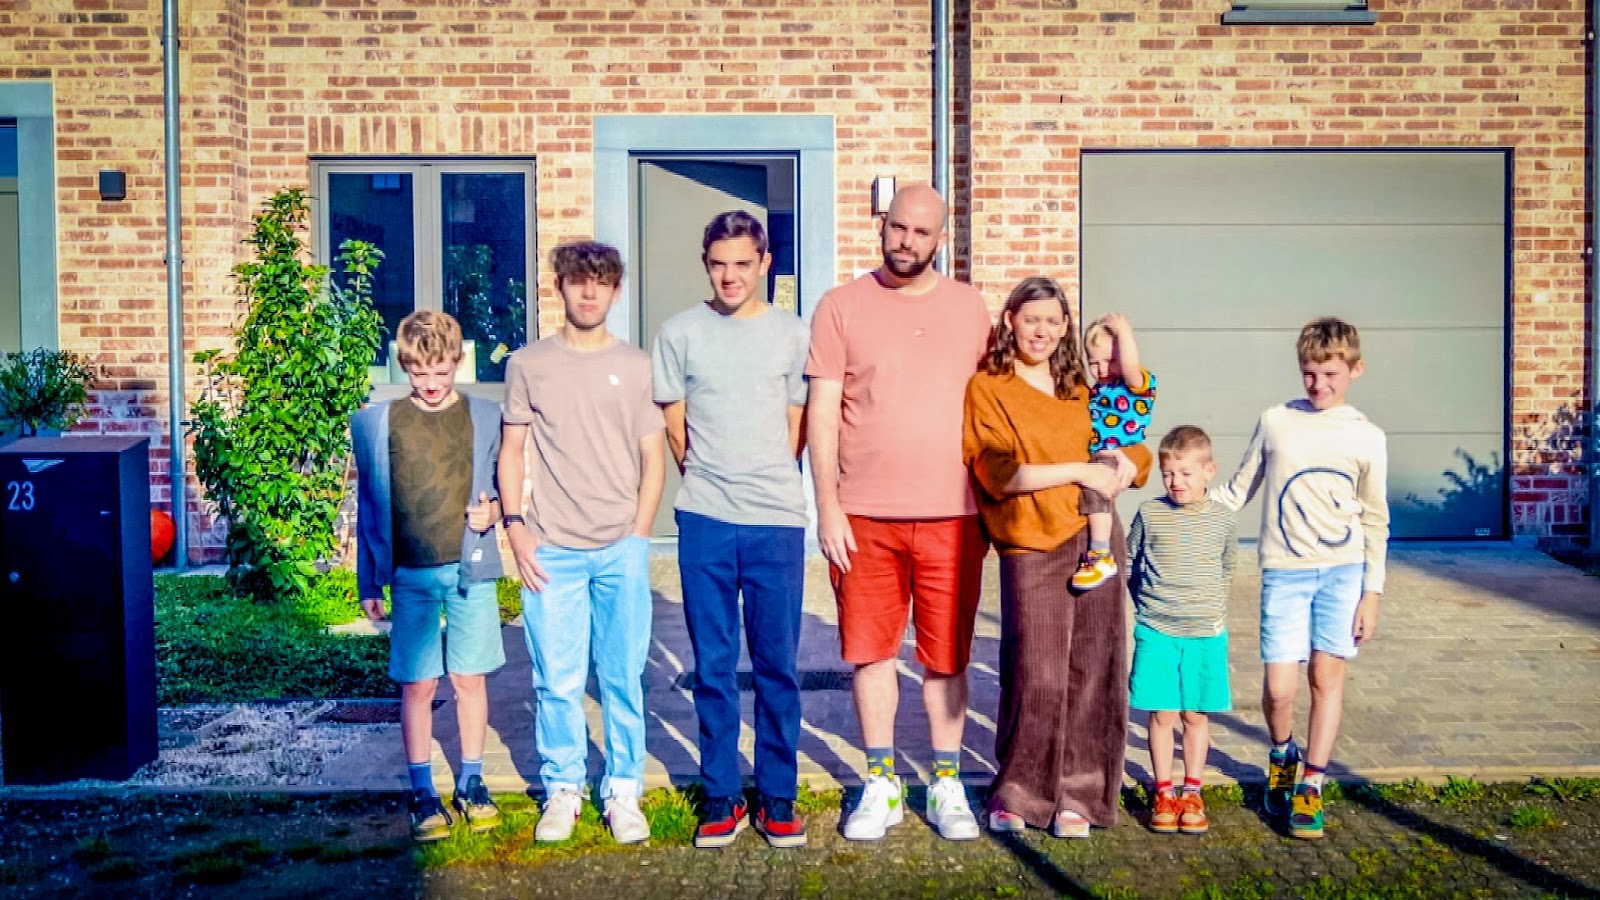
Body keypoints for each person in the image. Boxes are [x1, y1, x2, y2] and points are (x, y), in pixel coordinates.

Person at [807, 183, 993, 842]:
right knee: (870, 653)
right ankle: (880, 781)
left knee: (945, 659)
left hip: (955, 515)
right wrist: (827, 506)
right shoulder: (841, 307)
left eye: (922, 232)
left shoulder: (972, 309)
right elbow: (822, 413)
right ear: (882, 226)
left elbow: (1007, 399)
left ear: (941, 238)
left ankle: (946, 781)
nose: (907, 242)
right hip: (863, 516)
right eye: (898, 228)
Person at [961, 276, 1151, 839]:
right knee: (1036, 673)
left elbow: (1132, 428)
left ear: (1067, 327)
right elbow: (996, 473)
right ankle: (1020, 791)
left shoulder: (1081, 385)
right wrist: (1078, 470)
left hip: (1094, 541)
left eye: (1053, 321)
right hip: (1030, 542)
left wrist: (1125, 464)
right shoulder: (989, 388)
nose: (1041, 331)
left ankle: (1083, 794)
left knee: (1096, 667)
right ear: (1010, 320)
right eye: (1030, 319)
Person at [499, 242, 668, 845]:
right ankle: (562, 787)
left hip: (620, 547)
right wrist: (516, 529)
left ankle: (624, 789)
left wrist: (639, 534)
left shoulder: (639, 365)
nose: (589, 292)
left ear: (616, 291)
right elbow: (512, 450)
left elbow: (654, 456)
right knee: (557, 679)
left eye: (600, 282)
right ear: (560, 287)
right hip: (552, 551)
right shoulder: (528, 365)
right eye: (577, 281)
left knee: (622, 677)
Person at [652, 211, 811, 849]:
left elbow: (797, 425)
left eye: (743, 263)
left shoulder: (793, 335)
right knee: (713, 666)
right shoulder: (679, 333)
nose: (730, 276)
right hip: (706, 520)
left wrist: (764, 477)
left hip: (776, 522)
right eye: (719, 263)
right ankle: (721, 795)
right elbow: (675, 428)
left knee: (778, 666)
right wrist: (713, 481)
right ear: (705, 263)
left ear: (764, 262)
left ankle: (778, 796)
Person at [1211, 317, 1389, 840]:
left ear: (1355, 369)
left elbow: (1376, 517)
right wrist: (1185, 506)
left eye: (1331, 373)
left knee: (1325, 679)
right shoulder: (1276, 421)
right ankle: (1283, 753)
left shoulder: (1367, 436)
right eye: (1310, 373)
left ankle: (1311, 781)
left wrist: (1371, 593)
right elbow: (1238, 489)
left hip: (1342, 573)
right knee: (1280, 689)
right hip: (1285, 574)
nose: (1319, 384)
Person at [351, 310, 507, 843]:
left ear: (458, 363)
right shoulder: (378, 422)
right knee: (419, 683)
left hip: (470, 568)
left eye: (441, 372)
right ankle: (422, 789)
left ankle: (472, 780)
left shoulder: (486, 416)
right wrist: (368, 582)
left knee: (470, 678)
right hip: (410, 575)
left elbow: (501, 481)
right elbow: (368, 505)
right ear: (404, 365)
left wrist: (496, 512)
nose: (432, 384)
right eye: (420, 373)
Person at [1125, 425, 1237, 836]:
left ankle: (1193, 790)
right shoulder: (1150, 513)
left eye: (1186, 474)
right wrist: (1150, 608)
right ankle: (1164, 790)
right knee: (1162, 714)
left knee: (1194, 715)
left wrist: (1209, 608)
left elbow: (1227, 568)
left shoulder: (1223, 519)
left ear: (1209, 471)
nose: (1176, 482)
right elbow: (1131, 562)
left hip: (1205, 634)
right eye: (1169, 473)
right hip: (1156, 631)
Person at [1072, 312, 1156, 592]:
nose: (1101, 368)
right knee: (1093, 494)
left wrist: (1123, 331)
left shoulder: (1134, 385)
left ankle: (1100, 553)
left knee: (1096, 493)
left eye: (1109, 360)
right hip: (1097, 454)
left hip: (1114, 454)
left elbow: (1131, 364)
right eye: (1093, 362)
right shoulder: (1096, 390)